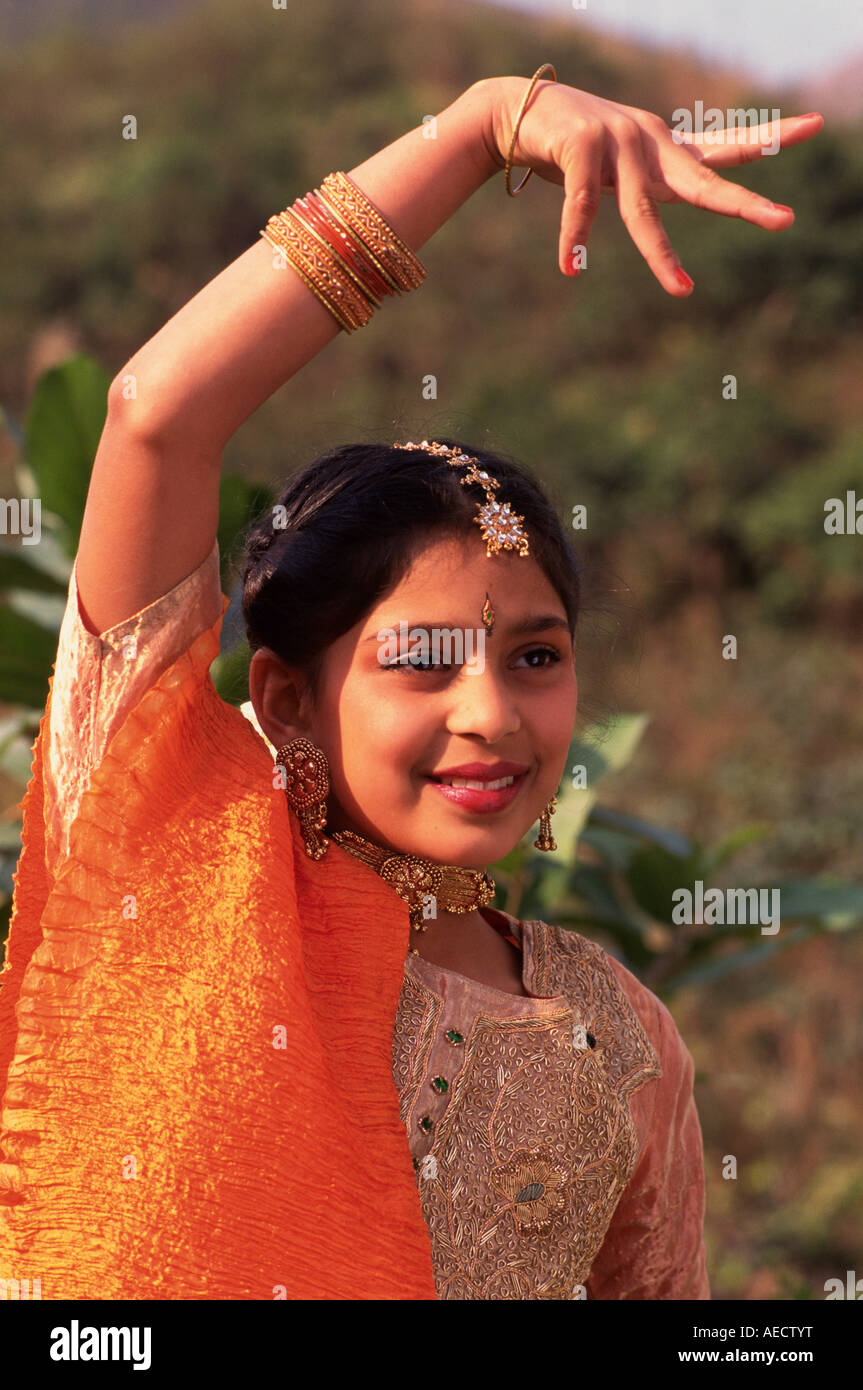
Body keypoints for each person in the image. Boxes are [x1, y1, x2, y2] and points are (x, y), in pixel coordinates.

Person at [0, 69, 822, 1301]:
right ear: (282, 702)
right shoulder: (173, 842)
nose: (490, 711)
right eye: (423, 661)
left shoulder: (618, 1037)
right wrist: (485, 125)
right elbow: (156, 415)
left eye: (534, 655)